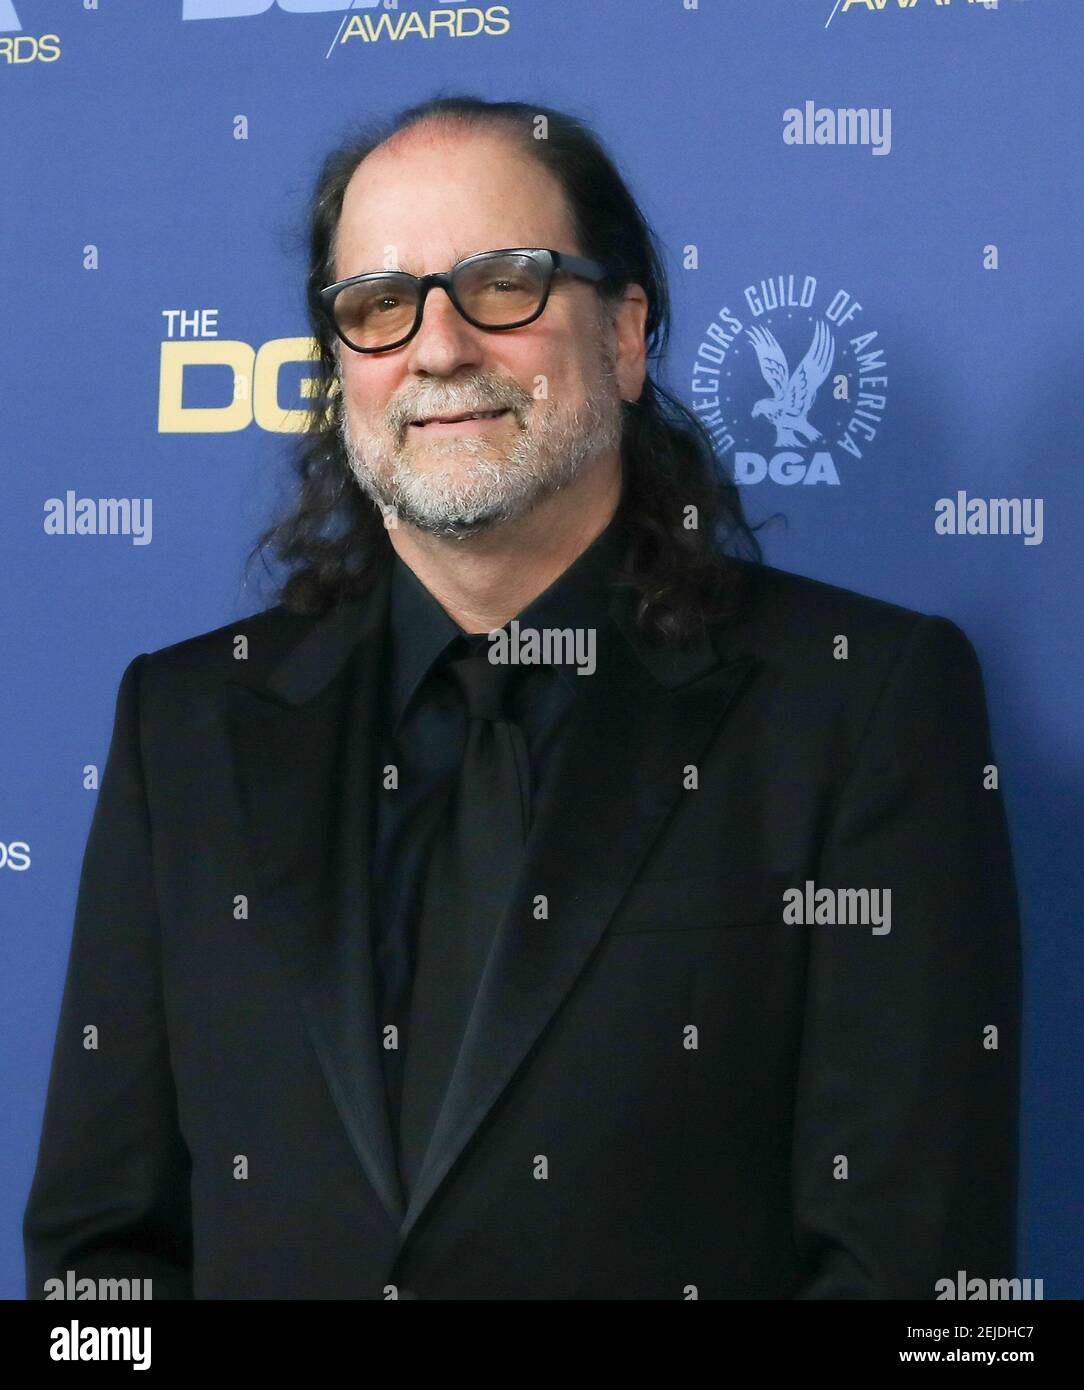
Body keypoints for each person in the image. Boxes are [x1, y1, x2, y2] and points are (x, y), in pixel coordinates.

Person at [24, 95, 1021, 1300]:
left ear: (627, 333)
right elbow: (96, 1268)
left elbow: (917, 1281)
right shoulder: (180, 722)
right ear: (340, 365)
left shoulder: (860, 705)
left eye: (504, 283)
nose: (438, 348)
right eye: (380, 305)